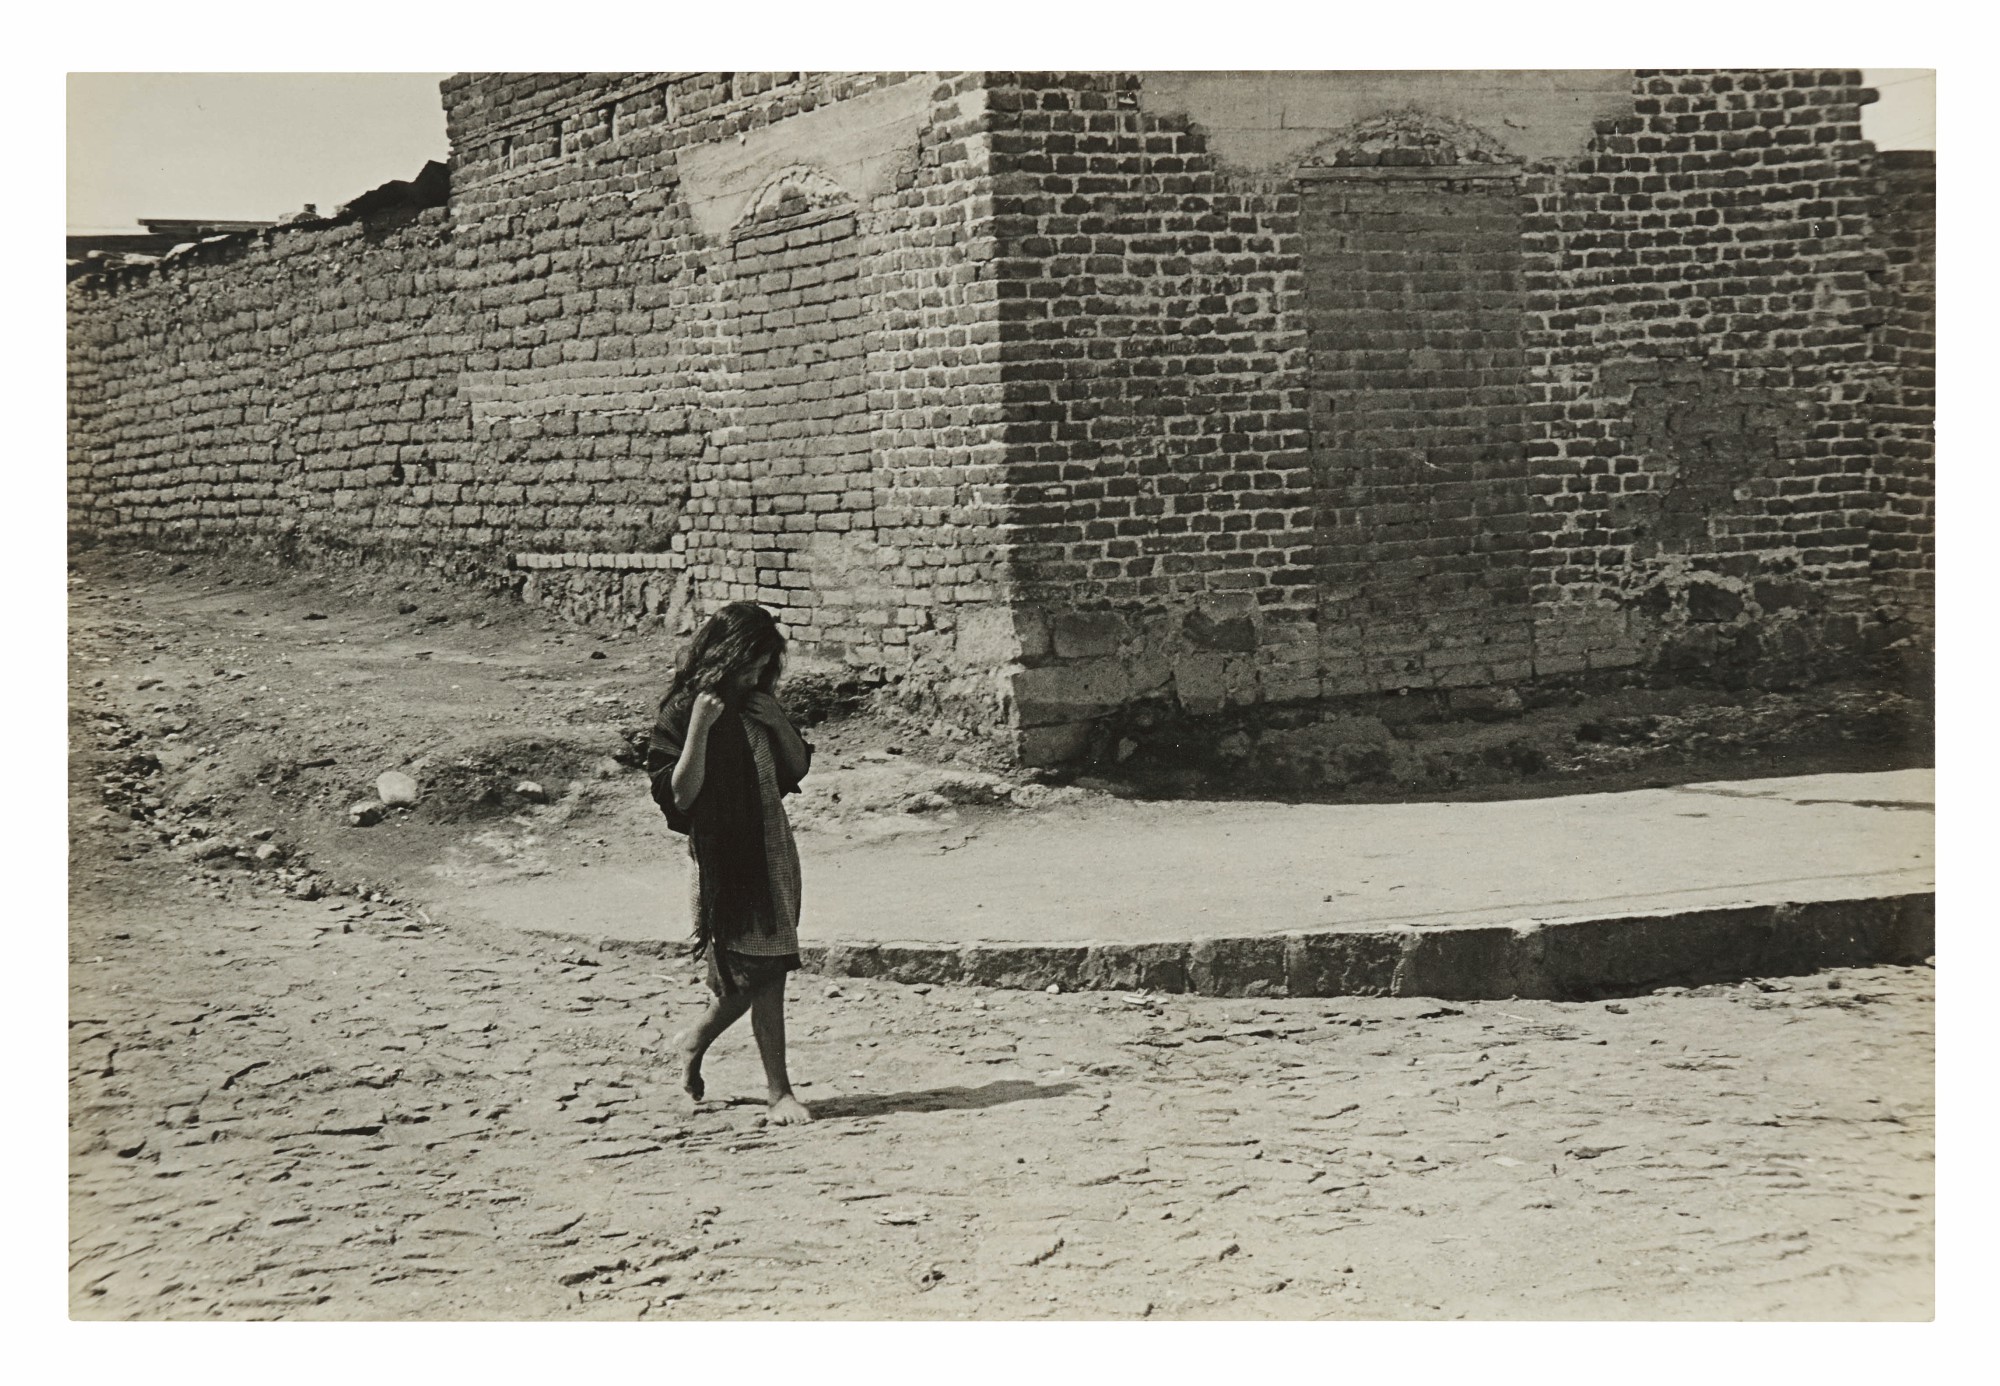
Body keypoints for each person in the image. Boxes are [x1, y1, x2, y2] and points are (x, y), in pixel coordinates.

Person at [645, 602, 815, 1125]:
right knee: (757, 971)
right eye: (747, 668)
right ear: (723, 657)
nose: (754, 678)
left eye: (763, 668)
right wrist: (699, 728)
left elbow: (796, 768)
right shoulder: (684, 711)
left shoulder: (759, 704)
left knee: (764, 967)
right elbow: (682, 796)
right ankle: (775, 1091)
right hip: (723, 859)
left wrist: (779, 723)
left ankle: (698, 1044)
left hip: (772, 848)